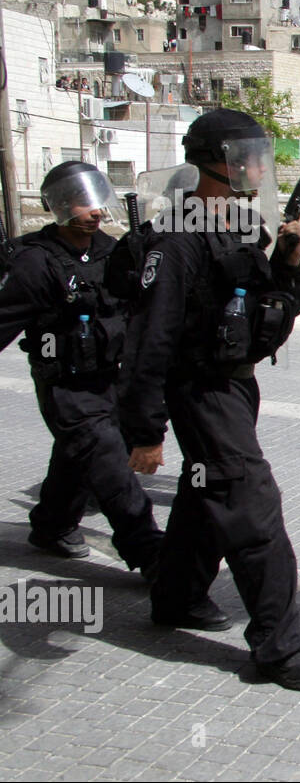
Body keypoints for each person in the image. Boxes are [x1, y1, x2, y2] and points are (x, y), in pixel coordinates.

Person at [119, 109, 300, 691]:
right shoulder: (178, 242)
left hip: (237, 385)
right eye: (249, 154)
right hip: (200, 389)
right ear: (215, 160)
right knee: (251, 504)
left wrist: (287, 262)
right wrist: (144, 430)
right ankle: (279, 648)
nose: (260, 165)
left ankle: (178, 596)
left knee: (205, 488)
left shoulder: (239, 228)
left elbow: (268, 315)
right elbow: (149, 340)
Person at [0, 162, 163, 574]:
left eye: (96, 202)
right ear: (61, 206)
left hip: (111, 380)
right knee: (111, 466)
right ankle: (149, 553)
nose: (93, 211)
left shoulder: (114, 253)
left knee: (80, 457)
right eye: (81, 203)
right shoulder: (36, 262)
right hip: (66, 386)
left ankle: (52, 524)